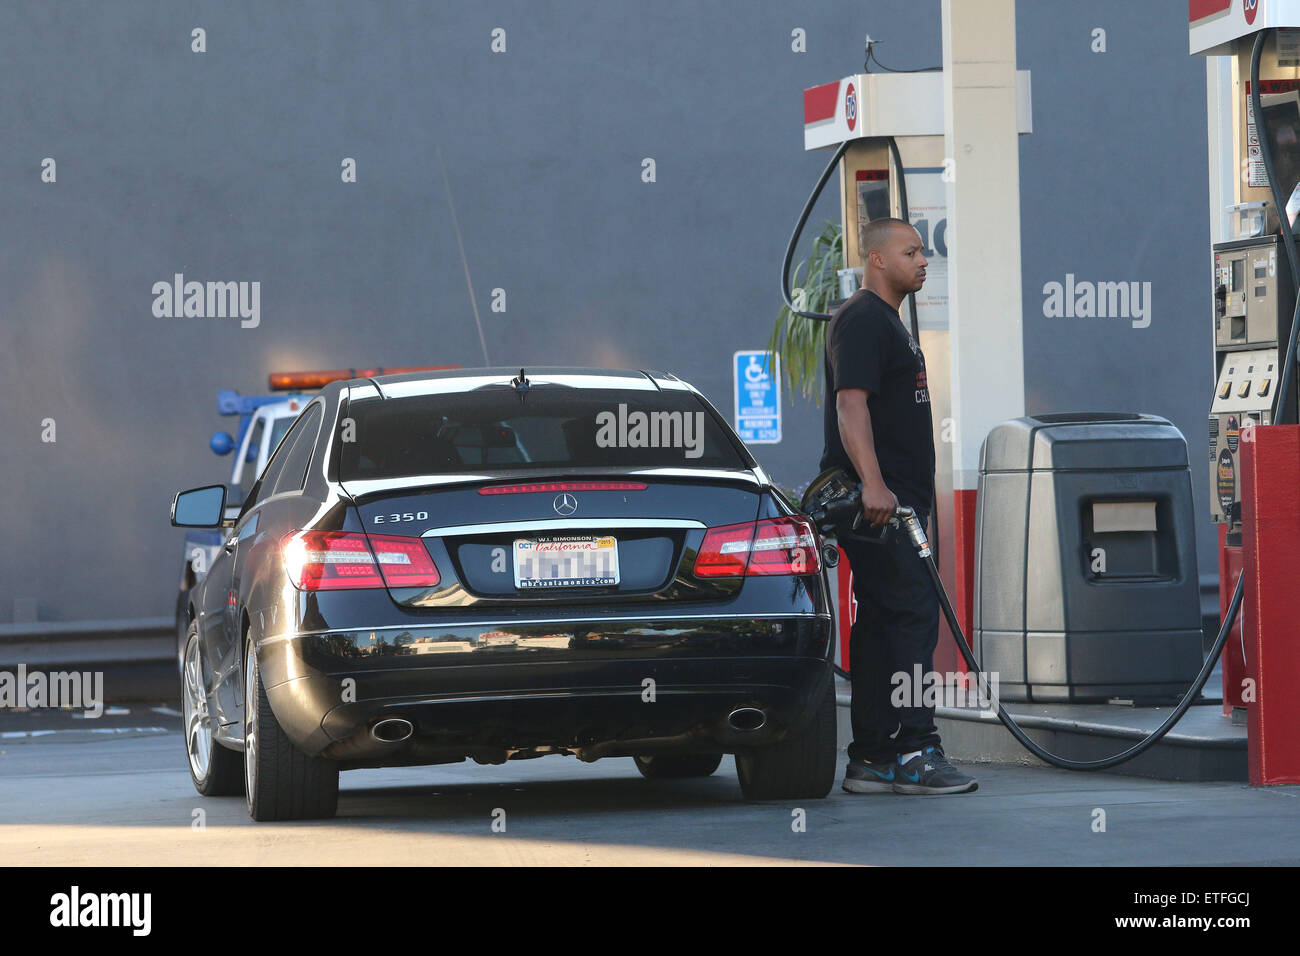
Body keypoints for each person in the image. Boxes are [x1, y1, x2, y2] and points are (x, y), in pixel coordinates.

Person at [820, 216, 977, 795]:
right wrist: (875, 485)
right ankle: (916, 749)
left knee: (884, 623)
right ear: (878, 260)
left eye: (923, 252)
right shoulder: (862, 318)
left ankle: (872, 757)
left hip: (893, 502)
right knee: (911, 618)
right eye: (910, 252)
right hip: (883, 505)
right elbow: (850, 407)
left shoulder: (888, 323)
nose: (922, 260)